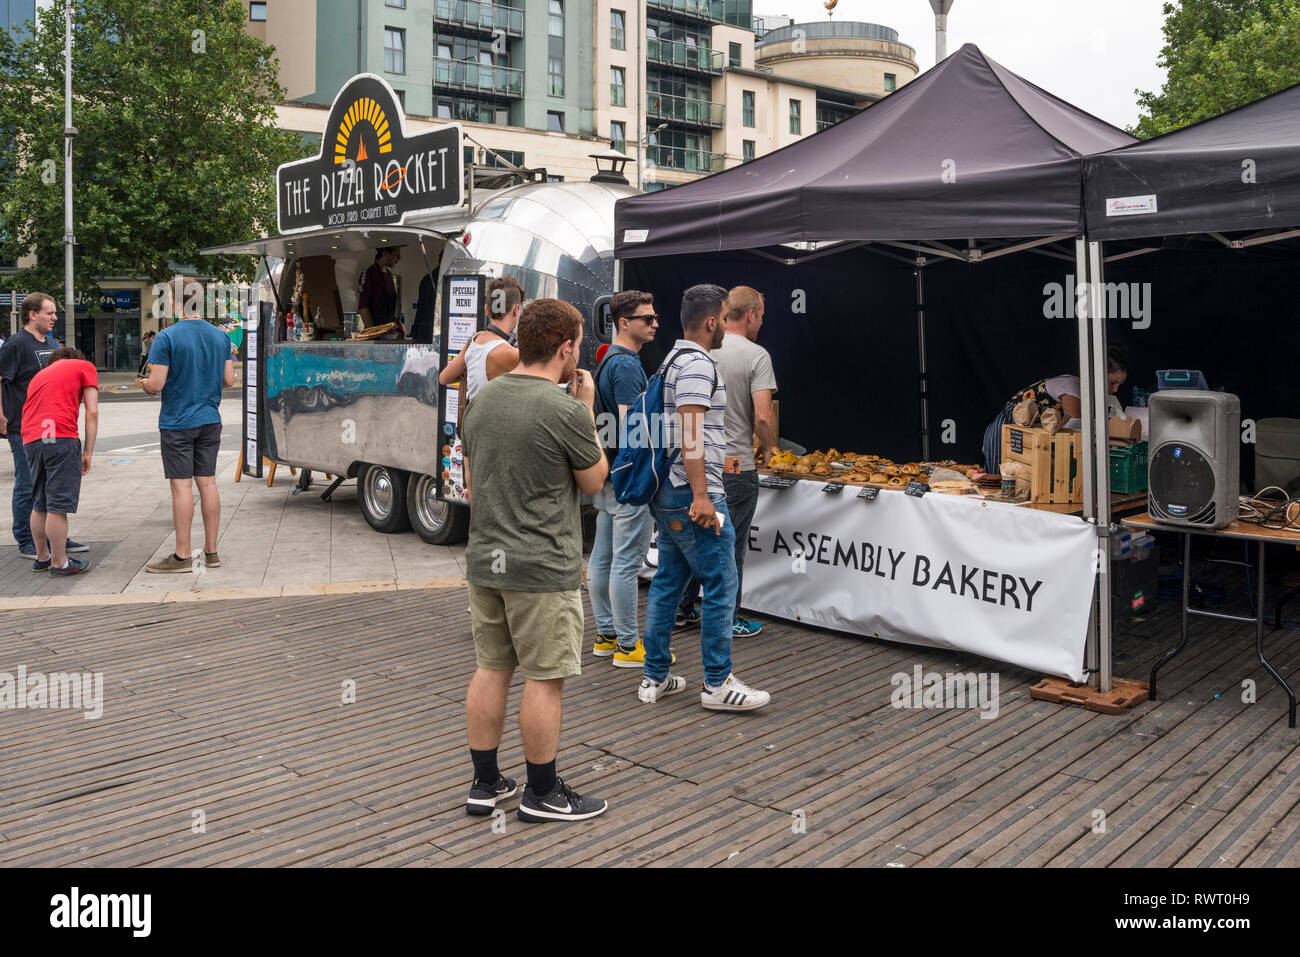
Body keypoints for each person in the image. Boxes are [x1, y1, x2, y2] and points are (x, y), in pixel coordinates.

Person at [460, 298, 610, 822]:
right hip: (542, 565)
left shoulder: (483, 401)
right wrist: (586, 407)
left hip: (486, 559)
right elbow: (594, 482)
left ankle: (485, 783)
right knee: (544, 678)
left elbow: (475, 483)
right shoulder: (565, 409)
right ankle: (541, 792)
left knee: (491, 668)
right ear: (566, 348)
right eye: (578, 346)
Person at [637, 284, 772, 712]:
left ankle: (654, 676)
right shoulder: (696, 363)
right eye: (723, 321)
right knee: (721, 580)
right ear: (712, 321)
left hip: (669, 489)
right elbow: (691, 432)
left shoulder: (671, 359)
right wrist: (702, 496)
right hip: (692, 490)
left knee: (668, 581)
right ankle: (717, 683)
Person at [136, 286, 235, 573]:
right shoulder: (220, 336)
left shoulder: (167, 337)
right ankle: (212, 551)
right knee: (208, 483)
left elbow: (155, 385)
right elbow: (228, 379)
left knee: (181, 487)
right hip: (209, 419)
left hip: (178, 422)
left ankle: (181, 556)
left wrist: (144, 385)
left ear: (175, 303)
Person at [588, 290, 659, 666]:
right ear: (623, 322)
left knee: (604, 557)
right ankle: (628, 645)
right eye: (647, 318)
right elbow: (634, 429)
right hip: (626, 477)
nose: (654, 324)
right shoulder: (627, 365)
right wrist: (639, 476)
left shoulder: (610, 361)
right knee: (625, 563)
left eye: (654, 317)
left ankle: (607, 634)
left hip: (609, 470)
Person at [0, 293, 88, 559]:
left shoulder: (51, 343)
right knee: (28, 485)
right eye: (49, 313)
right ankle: (26, 538)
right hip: (23, 425)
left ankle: (54, 536)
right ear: (32, 314)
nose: (54, 317)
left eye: (54, 313)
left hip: (51, 426)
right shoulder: (16, 345)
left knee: (52, 486)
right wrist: (1, 416)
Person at [980, 345, 1129, 473]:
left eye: (1119, 385)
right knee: (1000, 483)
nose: (1115, 389)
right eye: (1113, 382)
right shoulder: (1073, 390)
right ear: (1096, 372)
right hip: (1005, 430)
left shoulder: (1088, 392)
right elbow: (1074, 432)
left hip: (1030, 439)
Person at [22, 347, 98, 576]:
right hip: (60, 437)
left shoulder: (39, 376)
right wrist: (88, 452)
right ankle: (60, 562)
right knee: (57, 505)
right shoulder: (84, 366)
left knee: (40, 502)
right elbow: (92, 412)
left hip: (31, 439)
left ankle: (42, 557)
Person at [437, 276, 523, 402]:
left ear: (487, 310)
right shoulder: (511, 353)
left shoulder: (474, 340)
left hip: (472, 419)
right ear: (516, 310)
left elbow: (444, 378)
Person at [358, 246, 402, 331]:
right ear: (385, 253)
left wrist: (398, 324)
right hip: (377, 330)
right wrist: (373, 332)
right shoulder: (369, 274)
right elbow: (363, 307)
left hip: (389, 329)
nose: (399, 259)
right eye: (396, 255)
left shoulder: (389, 275)